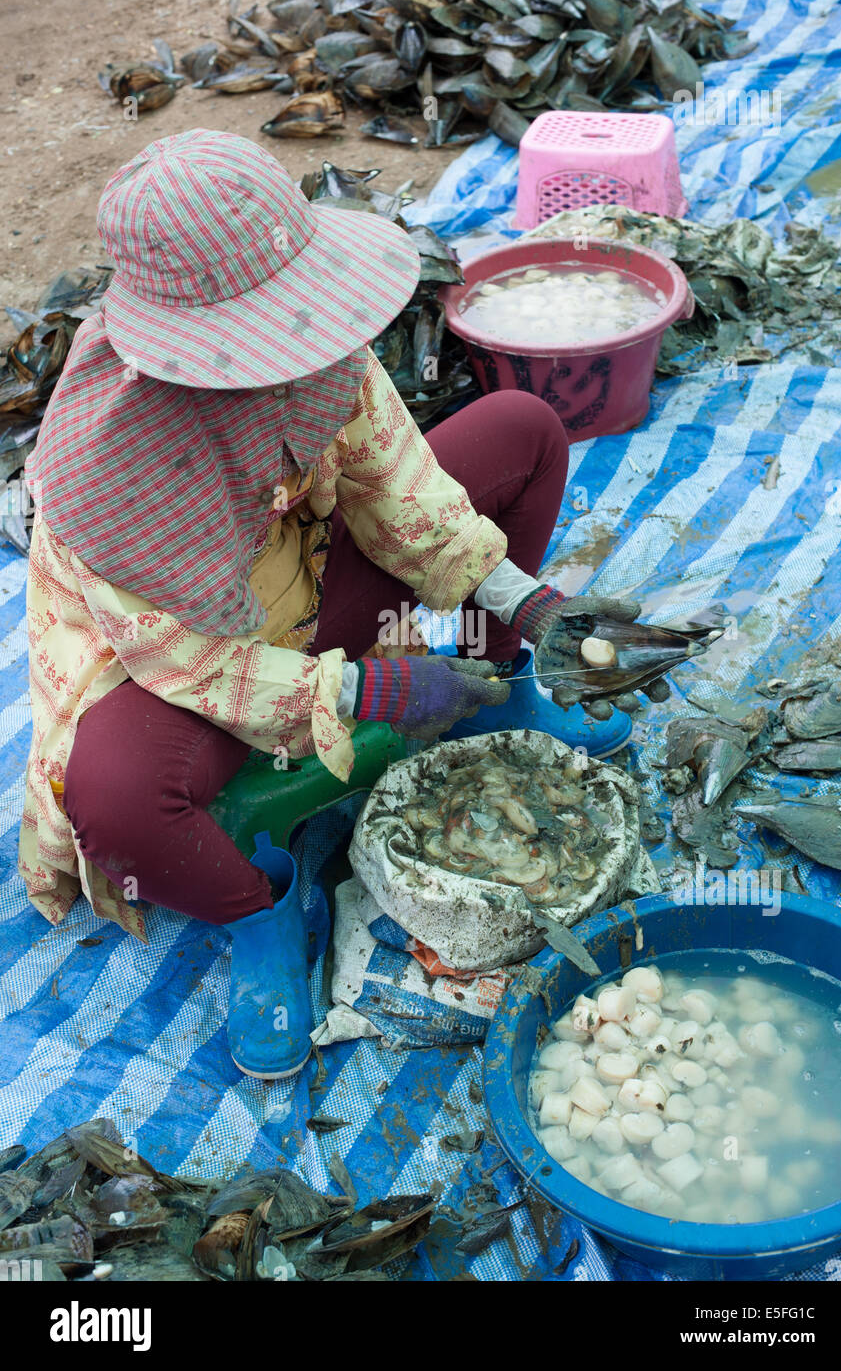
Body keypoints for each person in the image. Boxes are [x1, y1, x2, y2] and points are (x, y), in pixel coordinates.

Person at [19, 129, 639, 1079]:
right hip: (185, 668)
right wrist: (379, 694)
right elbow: (195, 664)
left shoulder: (314, 356)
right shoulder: (111, 477)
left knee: (522, 429)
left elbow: (408, 499)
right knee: (114, 798)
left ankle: (495, 685)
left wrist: (535, 608)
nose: (303, 342)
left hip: (307, 592)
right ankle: (258, 916)